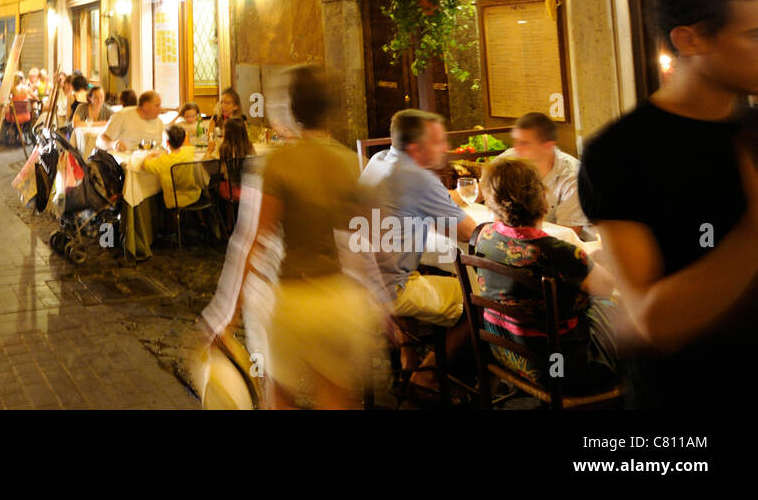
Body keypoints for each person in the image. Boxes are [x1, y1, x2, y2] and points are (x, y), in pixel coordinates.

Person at [578, 0, 758, 409]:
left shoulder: (752, 130)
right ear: (690, 40)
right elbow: (653, 320)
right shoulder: (619, 153)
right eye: (754, 36)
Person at [226, 65, 380, 408]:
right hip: (338, 301)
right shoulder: (349, 162)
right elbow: (361, 242)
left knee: (280, 395)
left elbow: (252, 241)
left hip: (288, 300)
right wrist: (375, 295)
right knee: (336, 399)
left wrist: (227, 312)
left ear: (287, 108)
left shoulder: (275, 164)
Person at [357, 109, 477, 389]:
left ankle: (408, 360)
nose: (444, 148)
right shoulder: (418, 178)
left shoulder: (379, 160)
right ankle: (427, 375)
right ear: (415, 148)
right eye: (437, 142)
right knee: (478, 299)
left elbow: (420, 204)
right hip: (389, 289)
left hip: (359, 279)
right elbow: (469, 232)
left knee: (414, 269)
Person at [474, 157, 618, 391]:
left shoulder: (484, 236)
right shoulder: (561, 254)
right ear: (542, 197)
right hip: (560, 369)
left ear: (492, 201)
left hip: (503, 351)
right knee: (617, 306)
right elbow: (606, 287)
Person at [497, 111, 587, 238]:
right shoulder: (509, 160)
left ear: (547, 146)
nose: (517, 148)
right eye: (516, 142)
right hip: (522, 239)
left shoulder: (573, 176)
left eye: (525, 144)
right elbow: (478, 190)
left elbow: (567, 235)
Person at [144, 124, 202, 209]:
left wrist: (151, 155)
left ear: (167, 143)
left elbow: (145, 166)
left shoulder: (163, 160)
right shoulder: (189, 150)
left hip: (174, 200)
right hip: (194, 194)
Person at [96, 90, 164, 152]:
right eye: (157, 105)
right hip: (119, 161)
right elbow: (99, 141)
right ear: (146, 106)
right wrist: (113, 144)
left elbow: (158, 147)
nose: (160, 109)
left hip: (147, 162)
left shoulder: (159, 123)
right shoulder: (122, 116)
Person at [204, 88, 244, 156]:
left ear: (235, 106)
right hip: (217, 152)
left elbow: (243, 140)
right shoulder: (215, 119)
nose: (223, 106)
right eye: (222, 102)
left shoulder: (240, 120)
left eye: (227, 103)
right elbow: (209, 138)